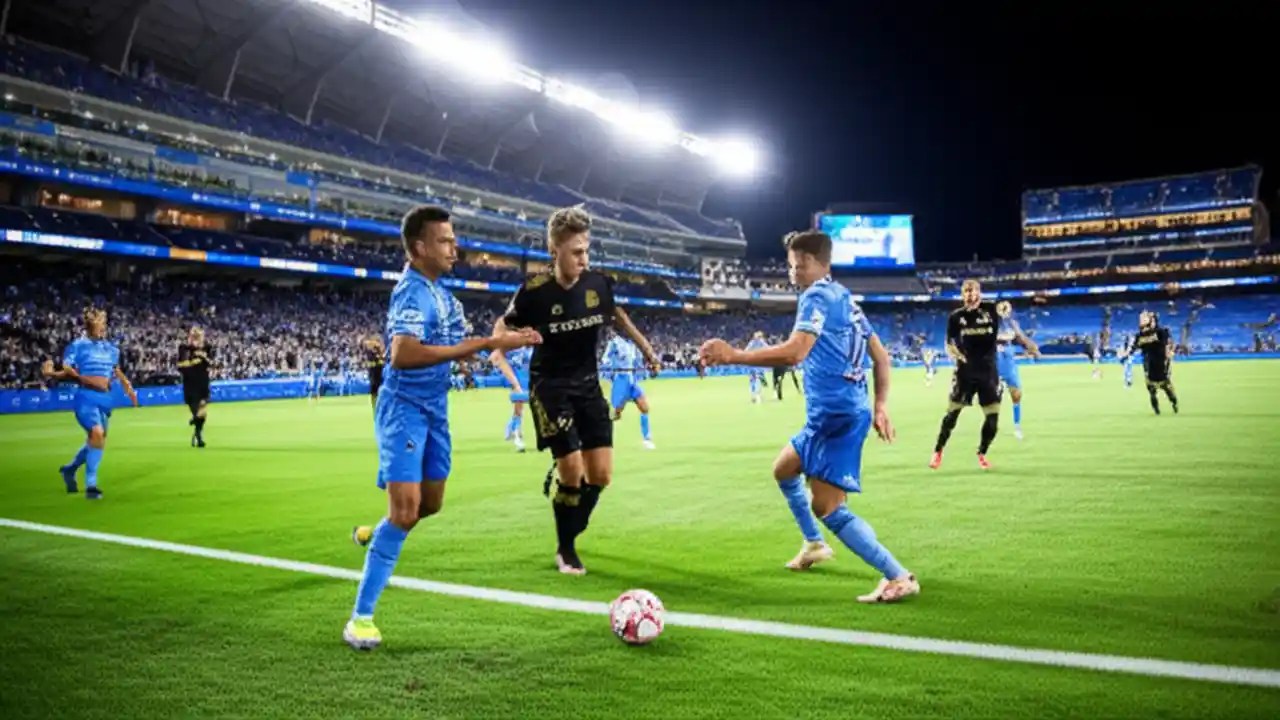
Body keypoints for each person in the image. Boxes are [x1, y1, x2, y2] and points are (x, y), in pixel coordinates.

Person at [344, 206, 540, 651]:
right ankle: (361, 618)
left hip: (436, 409)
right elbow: (404, 354)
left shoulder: (446, 298)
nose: (455, 247)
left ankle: (375, 534)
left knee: (428, 505)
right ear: (419, 247)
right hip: (404, 408)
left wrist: (503, 341)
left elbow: (460, 348)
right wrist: (489, 342)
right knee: (406, 511)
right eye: (445, 240)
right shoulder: (410, 292)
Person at [700, 230, 918, 602]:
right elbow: (881, 357)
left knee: (827, 507)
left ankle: (898, 575)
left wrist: (733, 354)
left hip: (836, 417)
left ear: (823, 264)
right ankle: (814, 544)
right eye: (791, 265)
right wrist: (880, 406)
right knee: (784, 468)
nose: (794, 272)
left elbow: (796, 353)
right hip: (834, 414)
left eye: (801, 265)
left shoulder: (817, 296)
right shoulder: (845, 298)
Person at [493, 205, 660, 575]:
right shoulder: (533, 292)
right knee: (572, 471)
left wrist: (646, 349)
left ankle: (571, 519)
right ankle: (566, 548)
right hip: (550, 387)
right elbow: (498, 335)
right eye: (576, 252)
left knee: (600, 476)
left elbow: (617, 316)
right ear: (555, 252)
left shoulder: (598, 284)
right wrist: (518, 337)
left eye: (586, 250)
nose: (584, 259)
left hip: (588, 386)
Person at [43, 307, 139, 499]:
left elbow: (115, 370)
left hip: (105, 398)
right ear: (89, 325)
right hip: (86, 397)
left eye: (104, 323)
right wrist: (53, 374)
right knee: (97, 433)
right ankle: (91, 486)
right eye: (99, 323)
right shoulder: (78, 346)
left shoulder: (111, 349)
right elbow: (67, 369)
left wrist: (128, 387)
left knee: (97, 441)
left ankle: (69, 469)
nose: (103, 326)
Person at [930, 279, 1001, 470]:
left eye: (974, 291)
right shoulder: (955, 317)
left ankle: (982, 453)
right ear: (963, 295)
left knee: (993, 419)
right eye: (967, 291)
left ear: (980, 292)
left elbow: (1006, 310)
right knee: (952, 414)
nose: (971, 294)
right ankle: (938, 451)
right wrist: (957, 356)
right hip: (965, 372)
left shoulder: (992, 310)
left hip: (988, 372)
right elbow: (949, 343)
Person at [994, 301, 1040, 440]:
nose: (1005, 311)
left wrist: (1031, 348)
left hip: (1009, 365)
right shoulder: (990, 325)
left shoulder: (1012, 324)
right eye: (1002, 309)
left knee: (1017, 395)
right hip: (995, 364)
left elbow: (1020, 338)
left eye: (1007, 309)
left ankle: (1017, 425)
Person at [602, 331, 655, 449]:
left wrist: (644, 369)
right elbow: (605, 359)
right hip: (621, 379)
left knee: (644, 408)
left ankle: (647, 439)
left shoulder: (633, 344)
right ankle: (600, 440)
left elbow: (637, 361)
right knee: (615, 414)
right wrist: (612, 373)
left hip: (632, 379)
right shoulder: (614, 343)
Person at [1130, 311, 1178, 414]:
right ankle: (1156, 410)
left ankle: (1174, 402)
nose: (1141, 320)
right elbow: (1134, 347)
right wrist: (1126, 354)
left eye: (1144, 318)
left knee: (1166, 387)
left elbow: (1169, 343)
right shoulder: (1140, 335)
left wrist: (1170, 352)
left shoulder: (1161, 331)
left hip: (1161, 363)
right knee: (1151, 390)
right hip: (1148, 363)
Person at [490, 344, 533, 452]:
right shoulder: (511, 347)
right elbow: (495, 358)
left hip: (531, 379)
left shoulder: (530, 348)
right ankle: (517, 437)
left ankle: (512, 428)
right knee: (518, 409)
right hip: (518, 381)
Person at [177, 326, 212, 448]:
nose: (196, 340)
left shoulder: (206, 348)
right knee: (196, 410)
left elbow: (209, 363)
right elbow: (181, 366)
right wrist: (196, 360)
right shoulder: (184, 349)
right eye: (194, 337)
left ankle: (197, 430)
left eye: (199, 337)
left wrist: (201, 358)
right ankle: (197, 432)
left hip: (202, 382)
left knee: (202, 411)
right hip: (190, 384)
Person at [362, 335, 384, 407]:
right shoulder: (371, 352)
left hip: (377, 372)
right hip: (375, 372)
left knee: (377, 389)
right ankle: (376, 403)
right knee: (375, 388)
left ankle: (377, 403)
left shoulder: (378, 352)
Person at [745, 331, 767, 403]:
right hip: (757, 364)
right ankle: (758, 396)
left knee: (752, 380)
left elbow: (745, 351)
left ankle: (753, 396)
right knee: (757, 379)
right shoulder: (761, 343)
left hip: (751, 363)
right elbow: (768, 348)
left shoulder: (751, 343)